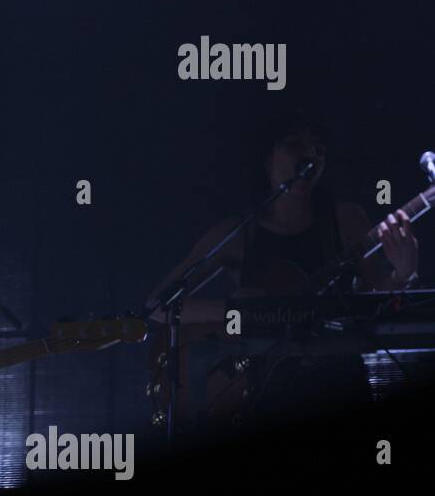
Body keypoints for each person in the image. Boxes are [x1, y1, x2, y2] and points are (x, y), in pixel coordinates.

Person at [148, 110, 418, 425]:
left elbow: (376, 306)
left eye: (318, 148)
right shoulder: (237, 234)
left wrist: (403, 273)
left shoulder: (345, 220)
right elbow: (157, 307)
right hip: (262, 399)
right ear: (265, 158)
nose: (311, 154)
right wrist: (236, 311)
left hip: (340, 388)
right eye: (294, 144)